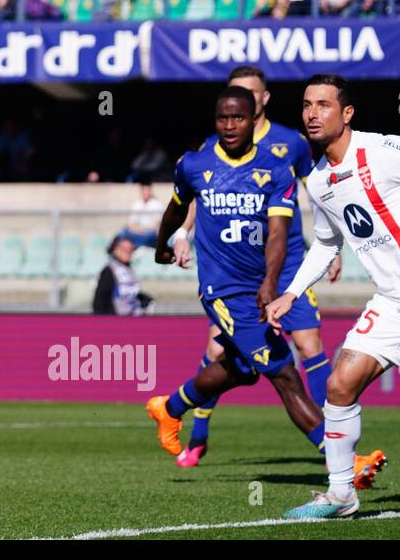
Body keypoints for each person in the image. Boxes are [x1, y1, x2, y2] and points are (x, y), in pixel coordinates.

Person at [271, 75, 400, 519]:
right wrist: (291, 292)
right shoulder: (317, 181)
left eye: (323, 105)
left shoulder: (384, 150)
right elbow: (327, 243)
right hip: (391, 300)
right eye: (306, 105)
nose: (312, 114)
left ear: (347, 113)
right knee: (339, 385)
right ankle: (340, 496)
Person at [145, 87, 348, 468]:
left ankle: (168, 407)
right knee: (284, 372)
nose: (229, 125)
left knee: (241, 370)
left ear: (254, 120)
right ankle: (341, 460)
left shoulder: (273, 170)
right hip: (221, 289)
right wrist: (164, 245)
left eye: (238, 117)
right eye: (222, 118)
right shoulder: (194, 164)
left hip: (259, 286)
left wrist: (271, 283)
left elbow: (277, 234)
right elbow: (176, 209)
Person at [93, 236, 153, 316]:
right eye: (124, 249)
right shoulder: (109, 270)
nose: (128, 252)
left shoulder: (129, 269)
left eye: (130, 249)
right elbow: (100, 299)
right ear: (115, 249)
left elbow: (130, 294)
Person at [122, 182, 161, 248]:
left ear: (151, 191)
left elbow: (157, 225)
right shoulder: (136, 204)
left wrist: (144, 229)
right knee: (123, 233)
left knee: (151, 237)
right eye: (144, 190)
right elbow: (131, 224)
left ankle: (136, 246)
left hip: (150, 233)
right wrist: (139, 230)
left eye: (147, 190)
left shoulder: (157, 205)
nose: (145, 192)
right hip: (137, 232)